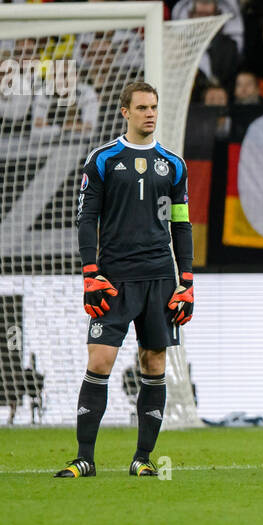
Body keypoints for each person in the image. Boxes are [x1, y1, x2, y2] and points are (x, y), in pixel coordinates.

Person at [59, 81, 193, 479]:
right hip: (114, 278)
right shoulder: (103, 159)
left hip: (159, 277)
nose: (150, 113)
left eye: (154, 107)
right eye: (142, 108)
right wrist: (90, 272)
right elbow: (86, 219)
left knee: (154, 364)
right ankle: (84, 457)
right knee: (100, 360)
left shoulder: (173, 164)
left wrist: (186, 279)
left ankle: (143, 458)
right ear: (125, 112)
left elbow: (182, 225)